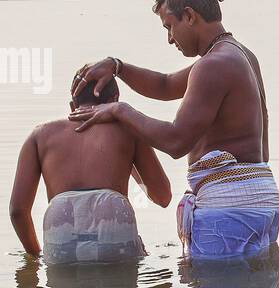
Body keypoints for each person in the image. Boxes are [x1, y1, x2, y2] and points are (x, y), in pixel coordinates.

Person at [69, 0, 279, 260]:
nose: (170, 38)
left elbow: (176, 141)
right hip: (259, 198)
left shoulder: (213, 65)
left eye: (170, 26)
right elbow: (166, 85)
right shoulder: (239, 55)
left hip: (229, 208)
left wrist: (120, 110)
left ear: (190, 16)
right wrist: (117, 66)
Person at [9, 80, 172, 264]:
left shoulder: (39, 135)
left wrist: (36, 256)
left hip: (61, 233)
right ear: (115, 101)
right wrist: (131, 160)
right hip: (113, 228)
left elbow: (18, 211)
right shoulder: (129, 130)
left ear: (72, 106)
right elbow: (163, 197)